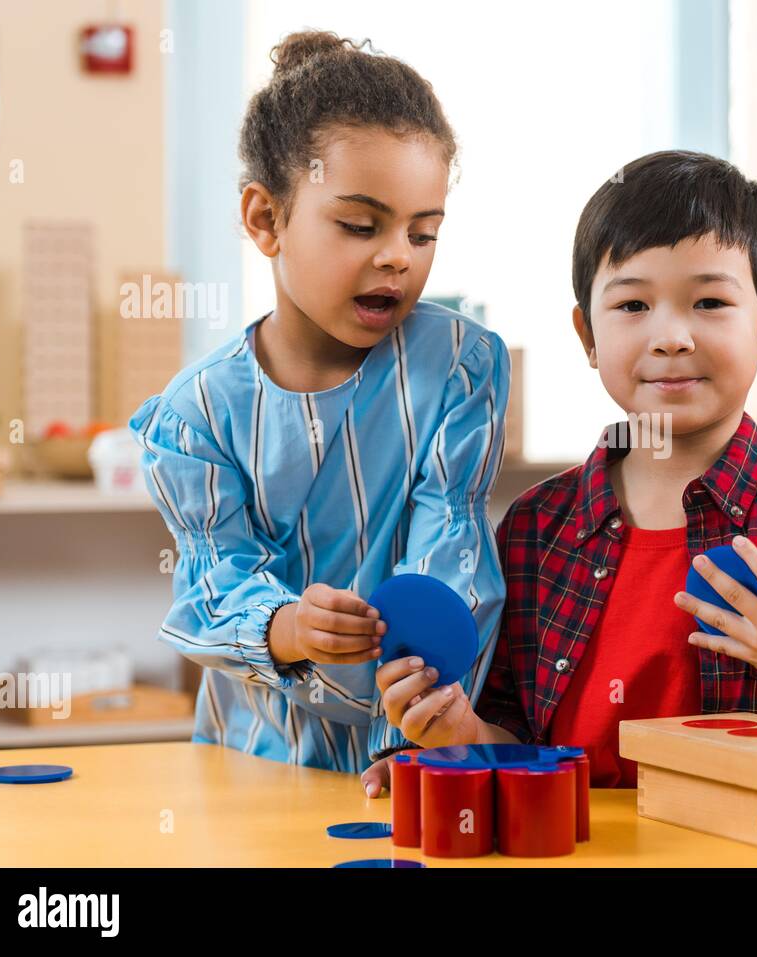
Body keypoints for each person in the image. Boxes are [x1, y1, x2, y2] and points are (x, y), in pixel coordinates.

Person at [360, 149, 757, 795]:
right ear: (588, 335)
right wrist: (461, 737)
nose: (671, 336)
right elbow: (517, 744)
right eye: (634, 306)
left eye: (708, 301)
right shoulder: (535, 528)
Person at [131, 31, 509, 777]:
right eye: (361, 225)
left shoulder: (458, 367)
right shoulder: (195, 414)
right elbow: (213, 584)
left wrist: (412, 741)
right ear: (265, 219)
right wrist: (289, 626)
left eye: (422, 231)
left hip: (410, 757)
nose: (398, 254)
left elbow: (449, 564)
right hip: (250, 766)